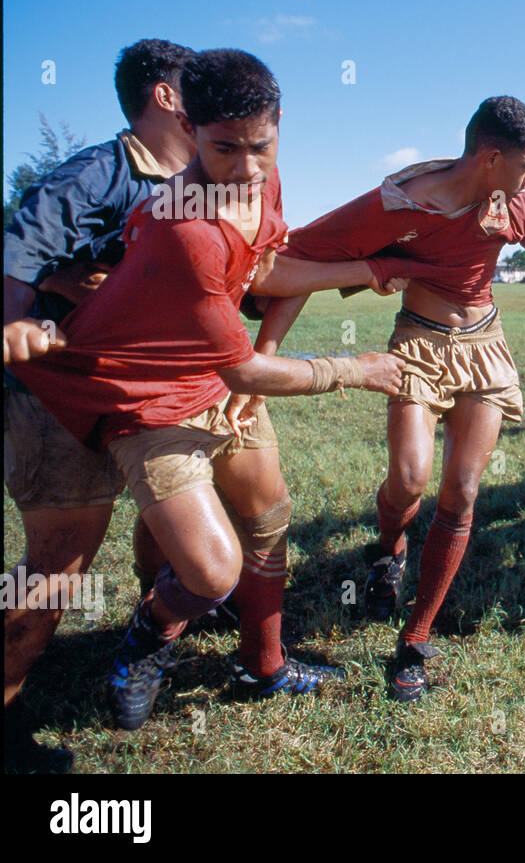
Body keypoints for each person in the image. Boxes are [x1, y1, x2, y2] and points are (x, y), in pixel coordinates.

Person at [10, 49, 409, 733]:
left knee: (269, 517)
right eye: (226, 148)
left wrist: (361, 267)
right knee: (209, 571)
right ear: (188, 126)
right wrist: (356, 367)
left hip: (210, 374)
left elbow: (268, 268)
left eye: (262, 144)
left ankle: (265, 665)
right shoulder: (180, 226)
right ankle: (149, 636)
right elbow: (246, 375)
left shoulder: (264, 177)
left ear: (278, 124)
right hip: (144, 396)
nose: (248, 167)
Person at [256, 96, 525, 702]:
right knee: (407, 477)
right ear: (490, 157)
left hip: (485, 347)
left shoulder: (514, 203)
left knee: (462, 490)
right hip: (418, 347)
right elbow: (298, 257)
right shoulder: (397, 203)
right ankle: (388, 550)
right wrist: (265, 354)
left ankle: (415, 641)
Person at [3, 39, 196, 770]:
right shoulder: (97, 173)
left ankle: (151, 639)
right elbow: (17, 255)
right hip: (61, 396)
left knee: (181, 523)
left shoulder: (198, 186)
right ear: (166, 97)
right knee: (56, 568)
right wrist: (22, 318)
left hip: (147, 390)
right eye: (195, 87)